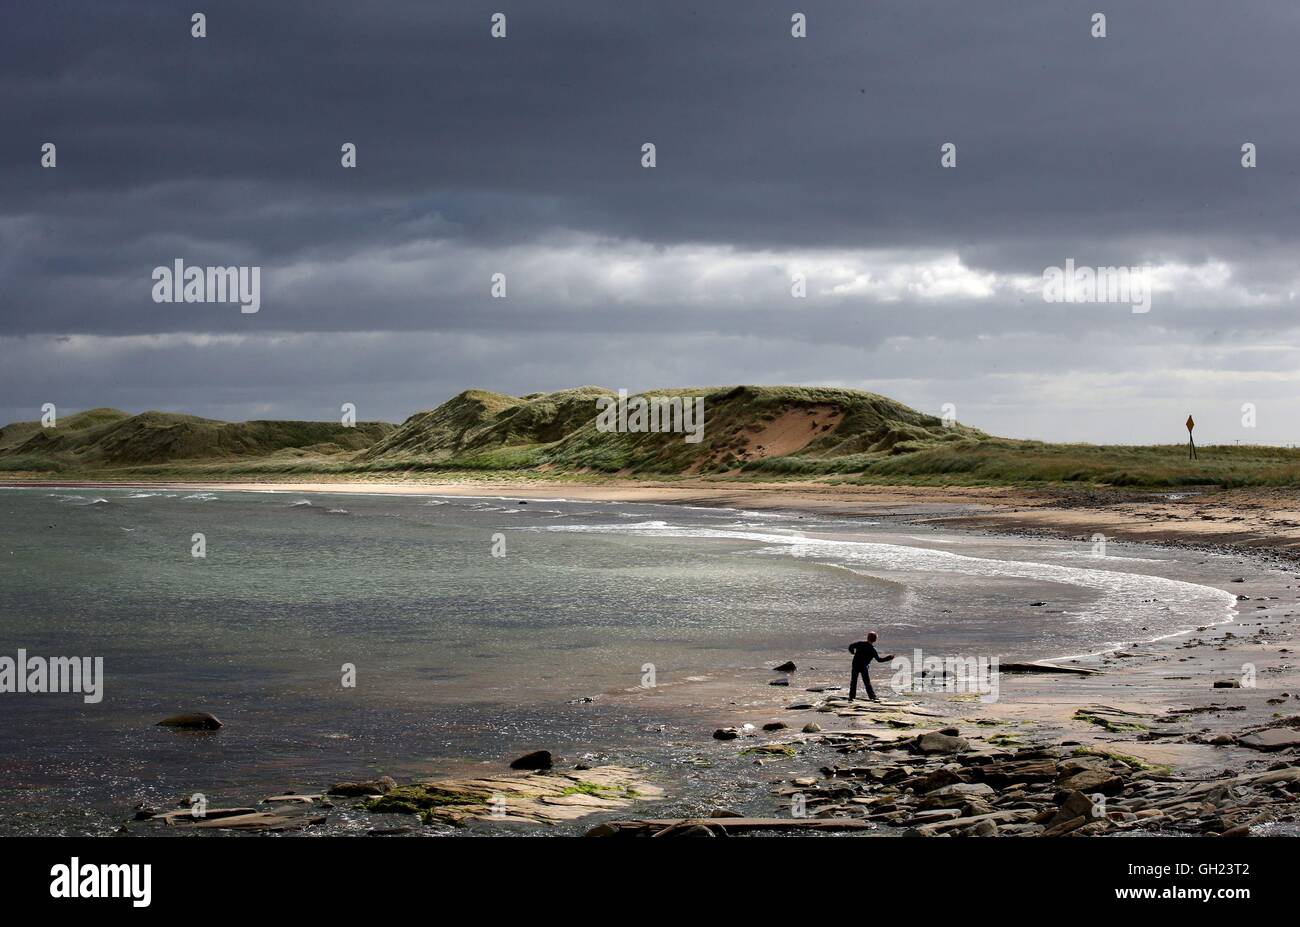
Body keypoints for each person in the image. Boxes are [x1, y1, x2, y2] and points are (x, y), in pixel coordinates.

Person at [848, 632, 894, 701]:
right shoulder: (873, 650)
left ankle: (851, 697)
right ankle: (872, 697)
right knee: (867, 683)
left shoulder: (860, 643)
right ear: (875, 640)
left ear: (867, 637)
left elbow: (850, 646)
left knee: (853, 682)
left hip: (855, 665)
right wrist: (889, 658)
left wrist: (852, 652)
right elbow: (879, 660)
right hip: (864, 667)